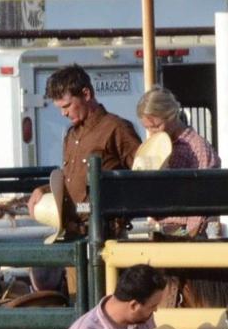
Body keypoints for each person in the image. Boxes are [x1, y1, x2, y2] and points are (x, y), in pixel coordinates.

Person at [28, 65, 142, 235]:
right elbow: (71, 178)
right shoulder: (71, 135)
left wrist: (120, 219)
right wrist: (43, 190)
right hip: (74, 231)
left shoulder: (117, 128)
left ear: (86, 94)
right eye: (60, 108)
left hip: (105, 232)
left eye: (67, 106)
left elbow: (142, 176)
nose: (63, 113)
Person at [137, 87, 220, 237]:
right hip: (160, 230)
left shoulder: (197, 147)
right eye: (148, 128)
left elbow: (203, 195)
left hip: (184, 234)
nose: (152, 132)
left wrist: (186, 234)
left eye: (156, 126)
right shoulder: (156, 146)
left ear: (172, 115)